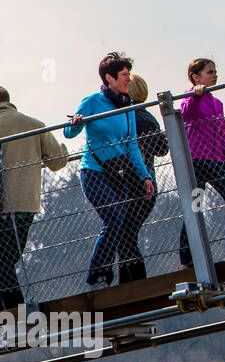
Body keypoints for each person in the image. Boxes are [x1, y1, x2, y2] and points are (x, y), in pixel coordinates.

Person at [64, 53, 157, 287]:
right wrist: (76, 123)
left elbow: (132, 144)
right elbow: (68, 133)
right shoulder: (93, 101)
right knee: (114, 217)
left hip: (120, 173)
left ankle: (105, 274)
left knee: (120, 221)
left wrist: (145, 176)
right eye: (124, 75)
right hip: (95, 171)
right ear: (109, 78)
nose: (128, 79)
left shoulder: (128, 106)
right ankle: (98, 272)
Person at [0, 87, 69, 310]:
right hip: (24, 204)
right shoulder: (33, 124)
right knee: (7, 259)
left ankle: (14, 311)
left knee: (3, 262)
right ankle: (14, 311)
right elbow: (58, 161)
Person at [178, 59, 225, 263]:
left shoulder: (217, 104)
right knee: (195, 208)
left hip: (216, 163)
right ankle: (186, 257)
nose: (215, 75)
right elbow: (186, 114)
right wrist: (194, 96)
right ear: (196, 77)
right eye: (210, 72)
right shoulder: (188, 99)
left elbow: (223, 133)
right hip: (197, 164)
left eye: (215, 71)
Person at [115, 73, 169, 282]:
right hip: (147, 183)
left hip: (133, 184)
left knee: (124, 236)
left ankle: (134, 282)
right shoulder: (147, 116)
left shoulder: (130, 116)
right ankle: (128, 283)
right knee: (126, 235)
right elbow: (162, 148)